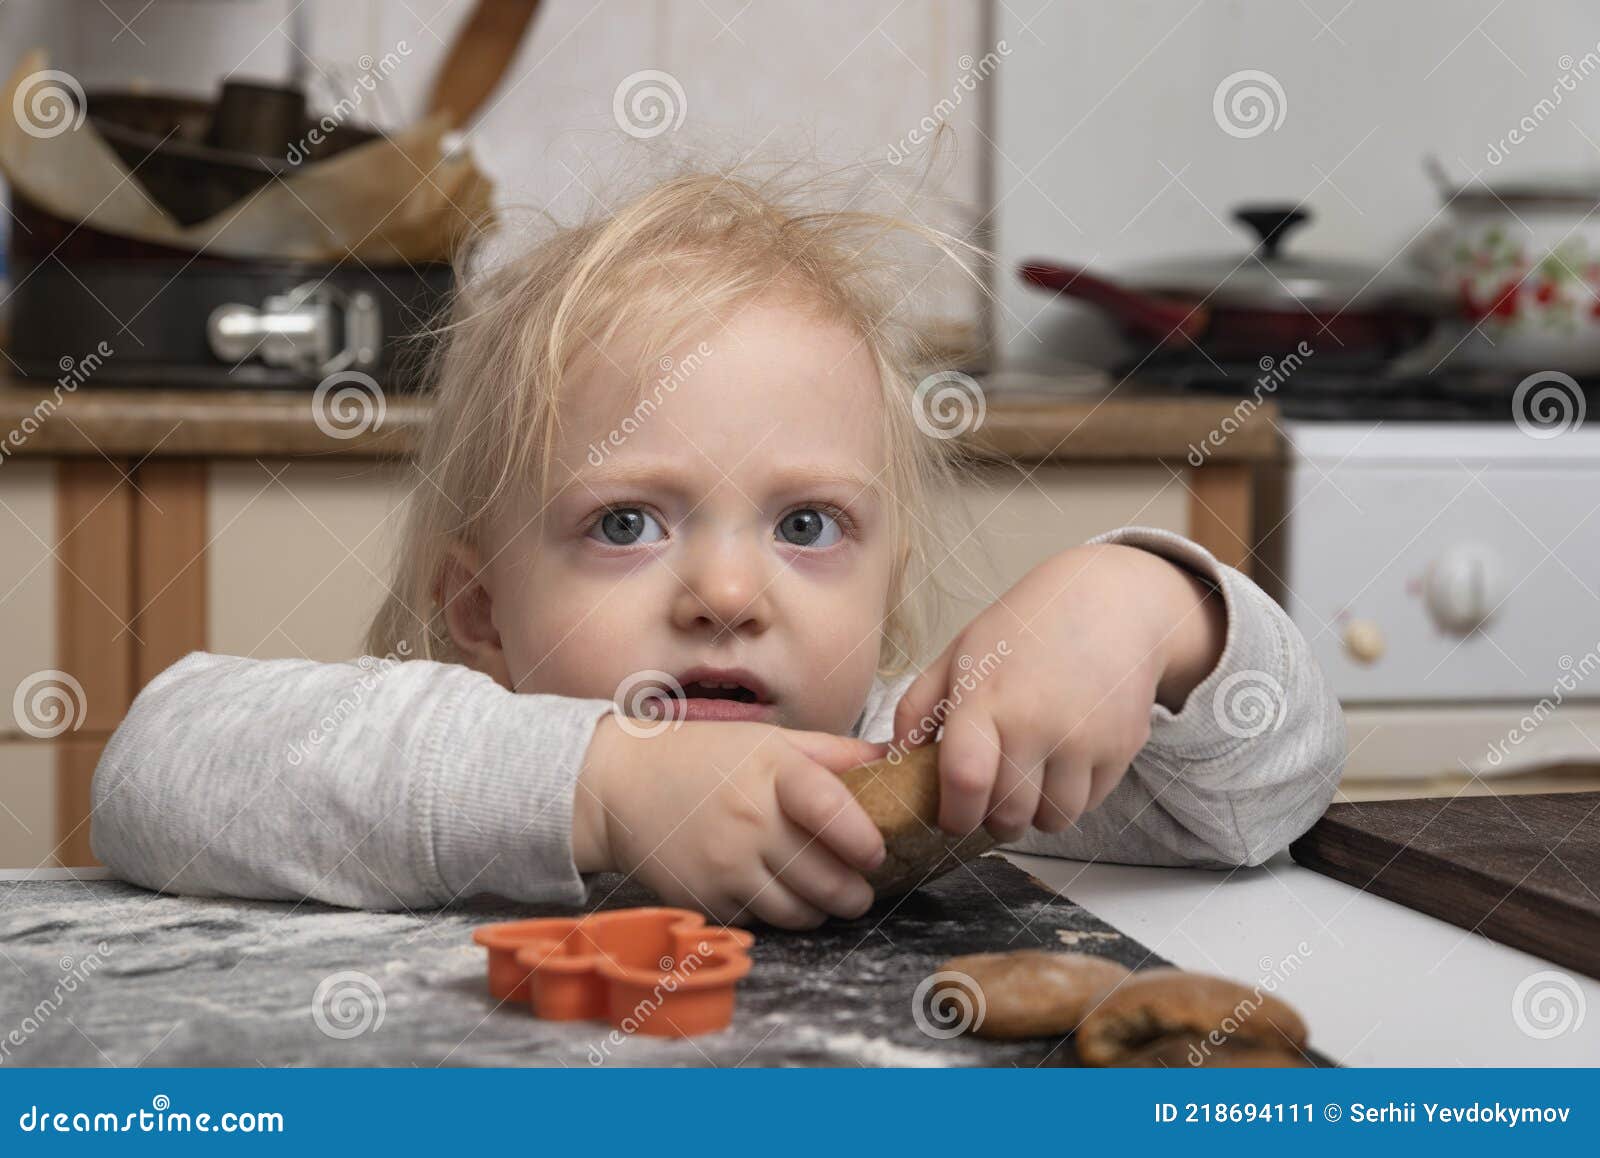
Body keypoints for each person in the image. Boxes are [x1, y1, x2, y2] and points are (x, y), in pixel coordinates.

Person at [91, 167, 1345, 929]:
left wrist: (1147, 610)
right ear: (478, 609)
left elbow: (1256, 803)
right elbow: (156, 764)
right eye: (625, 524)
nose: (729, 596)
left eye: (808, 527)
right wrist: (605, 785)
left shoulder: (909, 767)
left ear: (886, 586)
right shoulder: (437, 761)